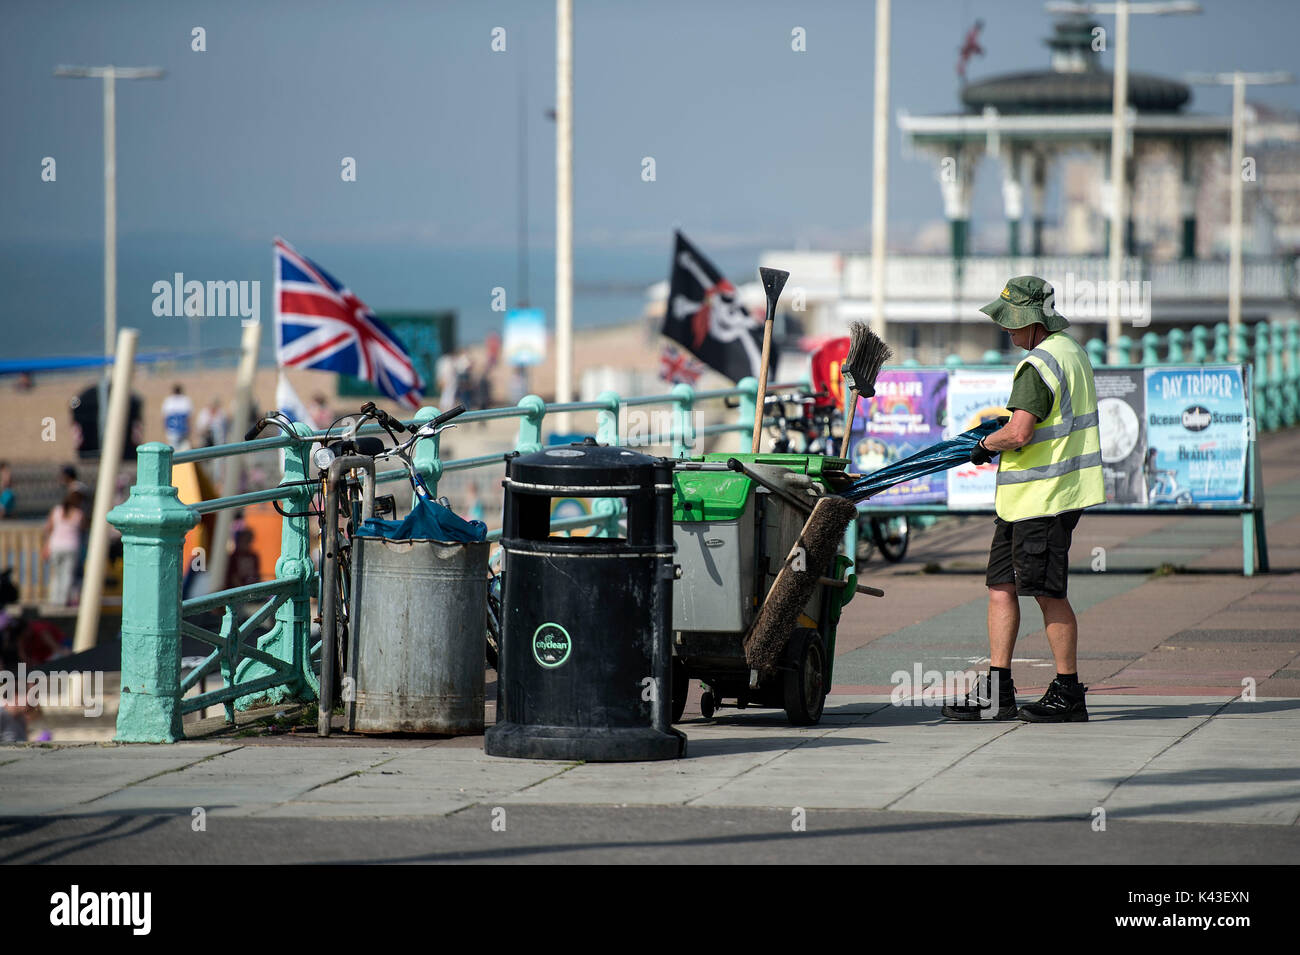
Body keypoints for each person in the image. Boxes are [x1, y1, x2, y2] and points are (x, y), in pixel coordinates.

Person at [943, 275, 1105, 724]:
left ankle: (1068, 693)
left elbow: (1020, 432)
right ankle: (997, 689)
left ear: (1034, 321)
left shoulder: (1039, 364)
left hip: (1045, 498)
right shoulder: (1071, 351)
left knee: (1048, 593)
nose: (1007, 330)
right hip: (1026, 501)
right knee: (1001, 587)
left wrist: (985, 446)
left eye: (1013, 322)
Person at [42, 489, 86, 606]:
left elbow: (48, 528)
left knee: (56, 574)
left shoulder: (56, 511)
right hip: (71, 546)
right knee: (67, 574)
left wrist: (46, 546)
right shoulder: (78, 514)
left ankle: (54, 599)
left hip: (55, 545)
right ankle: (63, 600)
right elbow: (83, 528)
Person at [162, 384, 194, 448]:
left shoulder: (168, 401)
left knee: (173, 451)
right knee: (184, 450)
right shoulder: (185, 400)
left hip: (172, 431)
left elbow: (165, 418)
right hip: (183, 430)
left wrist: (165, 429)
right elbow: (189, 418)